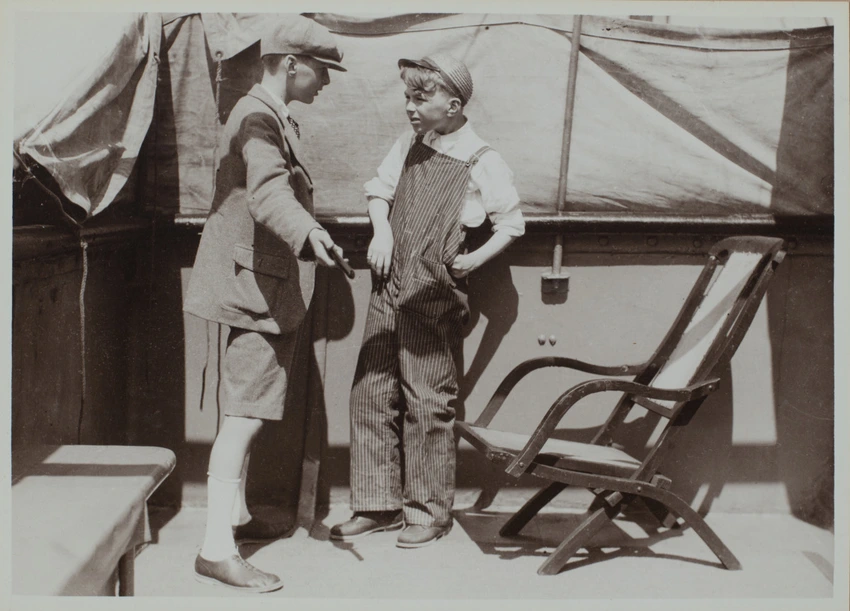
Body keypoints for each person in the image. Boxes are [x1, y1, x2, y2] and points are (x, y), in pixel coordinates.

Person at [330, 53, 525, 548]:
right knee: (370, 391)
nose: (410, 107)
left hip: (434, 292)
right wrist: (382, 232)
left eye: (421, 98)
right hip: (389, 284)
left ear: (453, 106)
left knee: (427, 400)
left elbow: (511, 224)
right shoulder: (409, 143)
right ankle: (377, 505)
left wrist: (472, 261)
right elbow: (379, 192)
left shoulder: (482, 159)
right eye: (407, 97)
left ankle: (428, 512)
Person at [183, 16, 346, 593]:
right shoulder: (257, 118)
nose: (327, 80)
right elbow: (269, 191)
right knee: (244, 417)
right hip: (256, 291)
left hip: (257, 284)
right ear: (291, 64)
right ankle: (215, 551)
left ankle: (233, 517)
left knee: (242, 411)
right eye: (323, 69)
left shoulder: (268, 114)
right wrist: (309, 232)